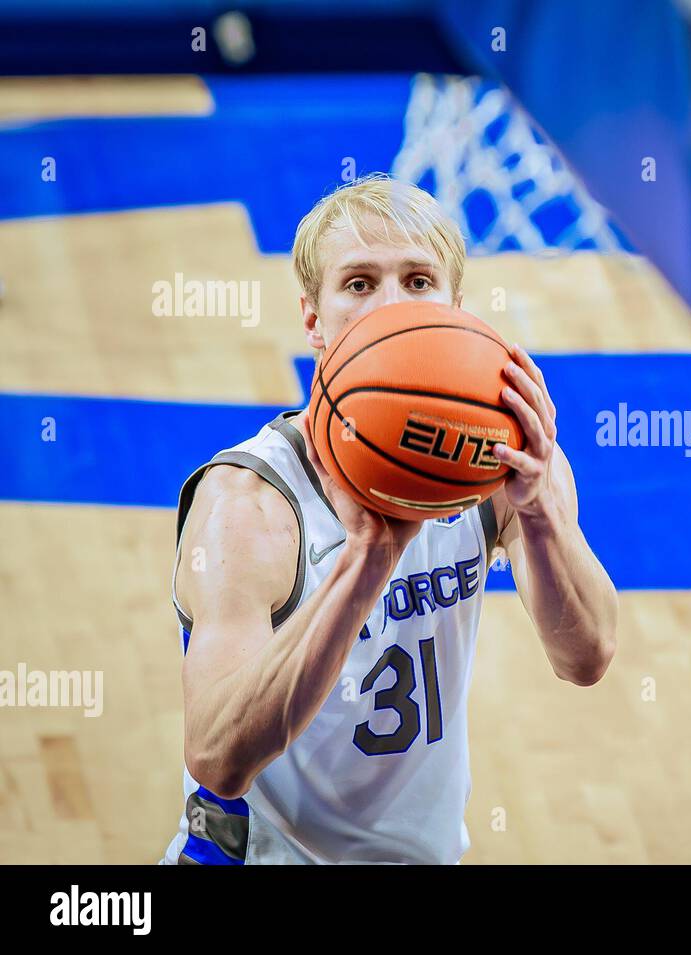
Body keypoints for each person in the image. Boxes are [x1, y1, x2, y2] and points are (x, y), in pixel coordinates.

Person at [160, 173, 618, 864]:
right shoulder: (249, 507)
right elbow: (218, 754)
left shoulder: (504, 463)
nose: (392, 308)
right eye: (359, 284)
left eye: (417, 280)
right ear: (313, 319)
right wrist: (366, 562)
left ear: (455, 309)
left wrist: (543, 516)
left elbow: (584, 658)